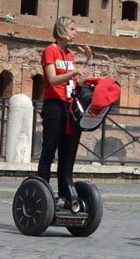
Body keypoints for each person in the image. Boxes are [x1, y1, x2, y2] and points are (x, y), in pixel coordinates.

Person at [34, 17, 94, 211]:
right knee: (49, 151)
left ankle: (63, 196)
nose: (75, 32)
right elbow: (51, 79)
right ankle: (43, 192)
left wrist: (88, 60)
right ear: (61, 30)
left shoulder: (69, 54)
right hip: (54, 106)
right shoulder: (50, 51)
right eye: (72, 29)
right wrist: (73, 72)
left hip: (69, 107)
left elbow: (80, 79)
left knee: (67, 153)